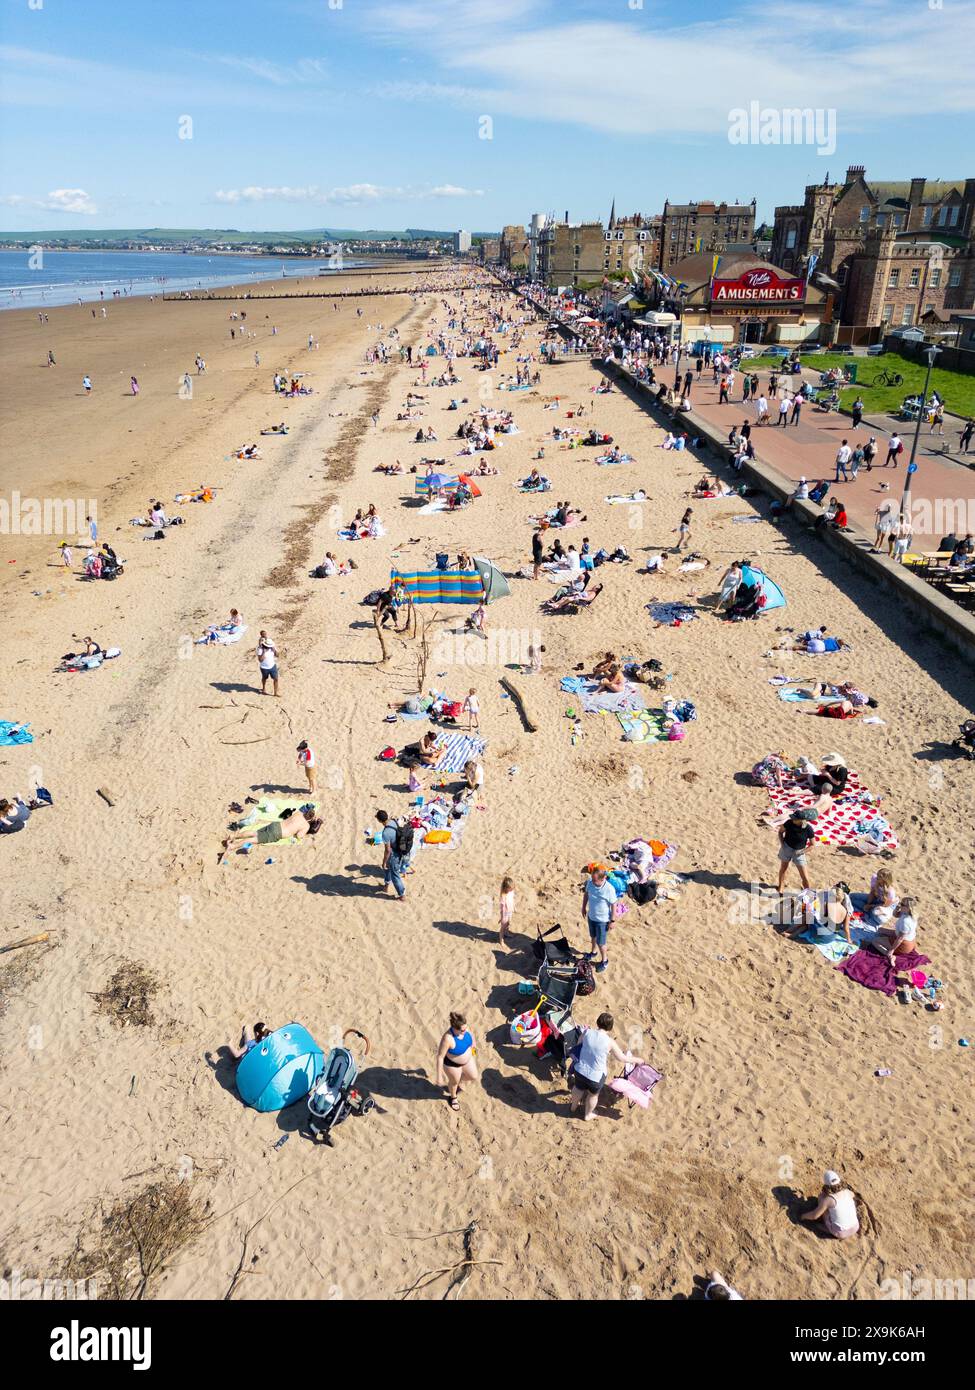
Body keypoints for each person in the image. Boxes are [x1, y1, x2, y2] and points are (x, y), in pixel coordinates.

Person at [568, 1012, 643, 1121]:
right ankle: (588, 1114)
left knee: (578, 1088)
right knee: (592, 1095)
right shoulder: (609, 1042)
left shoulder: (587, 1032)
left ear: (598, 1022)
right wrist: (638, 1060)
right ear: (610, 1027)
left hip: (580, 1070)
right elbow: (622, 1058)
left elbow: (578, 1045)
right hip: (595, 1077)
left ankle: (573, 1107)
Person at [222, 806, 321, 853]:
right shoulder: (306, 825)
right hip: (277, 833)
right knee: (252, 840)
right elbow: (299, 836)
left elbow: (304, 809)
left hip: (275, 825)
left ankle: (234, 836)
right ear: (311, 819)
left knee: (254, 833)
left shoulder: (299, 813)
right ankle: (232, 846)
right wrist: (307, 831)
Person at [436, 1011, 478, 1111]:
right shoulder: (448, 1038)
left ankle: (459, 1081)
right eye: (463, 1030)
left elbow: (472, 1038)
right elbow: (440, 1057)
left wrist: (473, 1050)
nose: (465, 1030)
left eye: (466, 1027)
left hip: (468, 1060)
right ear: (455, 1028)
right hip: (453, 1064)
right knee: (454, 1083)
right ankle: (453, 1097)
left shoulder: (465, 1028)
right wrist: (439, 1076)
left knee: (473, 1076)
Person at [801, 1171, 860, 1240]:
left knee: (822, 1201)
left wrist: (803, 1216)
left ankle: (828, 1228)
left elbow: (815, 1216)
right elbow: (853, 1195)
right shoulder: (848, 1192)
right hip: (855, 1227)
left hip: (841, 1233)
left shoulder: (829, 1200)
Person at [583, 866, 618, 973]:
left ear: (603, 879)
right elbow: (586, 894)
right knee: (593, 936)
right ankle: (593, 953)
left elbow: (614, 905)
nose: (592, 882)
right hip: (591, 917)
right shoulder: (590, 883)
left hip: (602, 921)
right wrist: (583, 907)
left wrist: (612, 920)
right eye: (592, 879)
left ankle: (604, 961)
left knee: (601, 943)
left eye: (595, 880)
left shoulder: (609, 889)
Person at [777, 808, 816, 892]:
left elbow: (813, 845)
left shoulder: (808, 828)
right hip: (787, 848)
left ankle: (807, 892)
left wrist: (802, 852)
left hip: (799, 852)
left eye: (794, 818)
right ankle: (781, 886)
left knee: (805, 876)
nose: (792, 819)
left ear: (801, 820)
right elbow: (780, 832)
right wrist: (782, 844)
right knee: (783, 868)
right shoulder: (789, 823)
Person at [376, 809, 412, 900]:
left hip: (394, 854)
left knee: (395, 875)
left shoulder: (385, 833)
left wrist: (384, 862)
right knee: (388, 869)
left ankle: (402, 896)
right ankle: (386, 886)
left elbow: (387, 850)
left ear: (379, 821)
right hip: (401, 849)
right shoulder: (393, 821)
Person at [257, 631, 279, 696]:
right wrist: (264, 652)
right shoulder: (260, 649)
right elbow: (260, 660)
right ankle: (263, 689)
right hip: (264, 668)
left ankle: (275, 693)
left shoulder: (272, 647)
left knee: (276, 679)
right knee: (264, 678)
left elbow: (277, 655)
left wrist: (274, 650)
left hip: (273, 666)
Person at [499, 875, 515, 947]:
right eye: (510, 888)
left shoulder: (511, 892)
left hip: (510, 911)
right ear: (506, 888)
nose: (512, 889)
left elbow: (512, 899)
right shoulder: (503, 896)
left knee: (509, 923)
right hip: (505, 913)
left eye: (513, 888)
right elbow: (502, 908)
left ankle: (507, 933)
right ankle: (501, 940)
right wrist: (502, 917)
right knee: (503, 927)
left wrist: (514, 907)